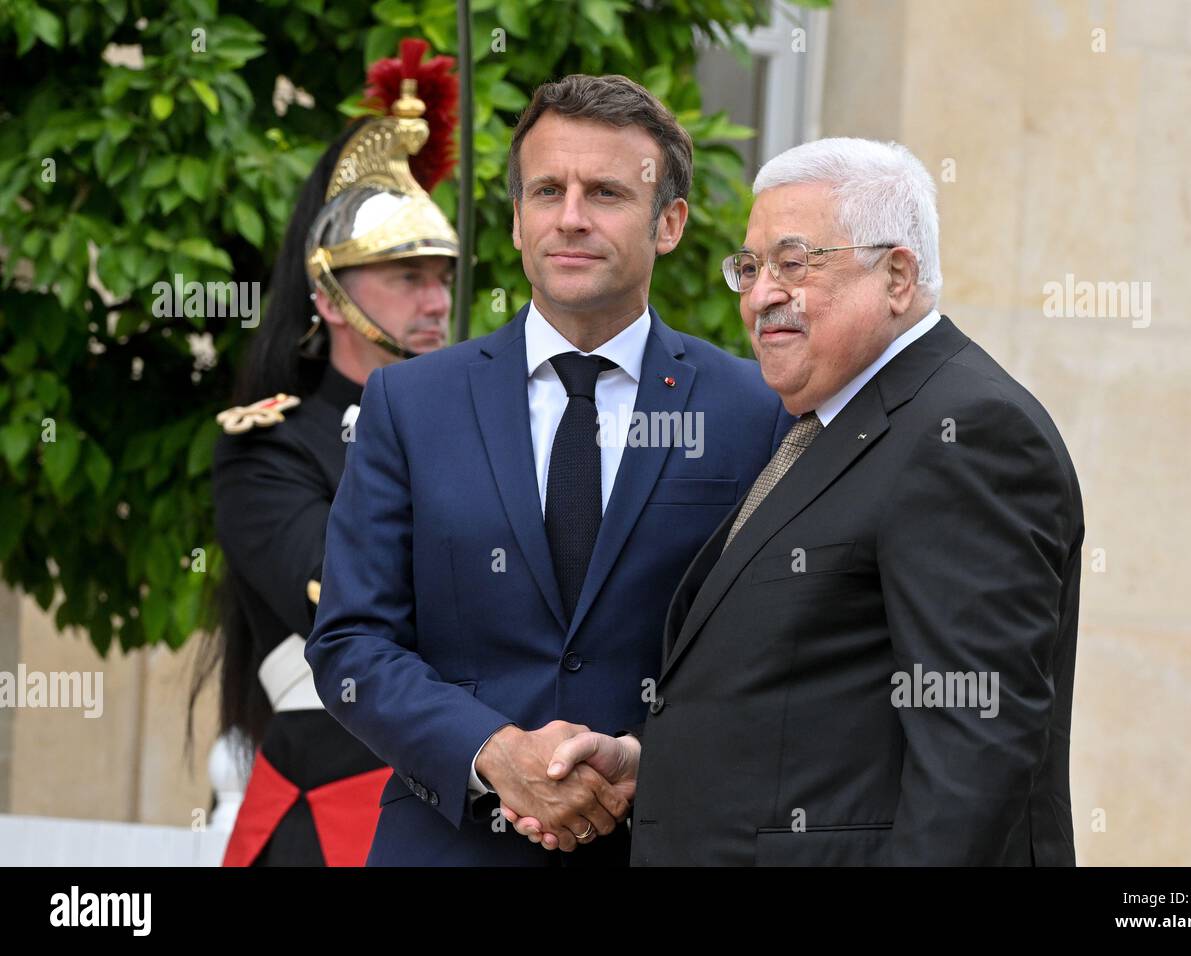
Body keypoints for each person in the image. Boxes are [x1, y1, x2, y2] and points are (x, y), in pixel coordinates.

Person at [523, 137, 1084, 866]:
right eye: (750, 268)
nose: (761, 295)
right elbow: (813, 699)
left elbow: (974, 752)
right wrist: (653, 762)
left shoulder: (963, 433)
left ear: (897, 276)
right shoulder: (826, 424)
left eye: (794, 263)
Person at [304, 73, 790, 866]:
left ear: (668, 223)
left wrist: (645, 759)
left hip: (668, 843)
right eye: (546, 191)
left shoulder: (754, 408)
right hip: (449, 846)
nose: (571, 219)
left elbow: (777, 651)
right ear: (516, 223)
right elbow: (352, 642)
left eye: (605, 192)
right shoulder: (410, 403)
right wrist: (495, 752)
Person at [195, 39, 460, 866]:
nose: (437, 301)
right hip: (339, 818)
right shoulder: (270, 444)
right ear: (330, 297)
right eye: (407, 275)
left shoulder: (476, 430)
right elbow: (349, 602)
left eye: (444, 276)